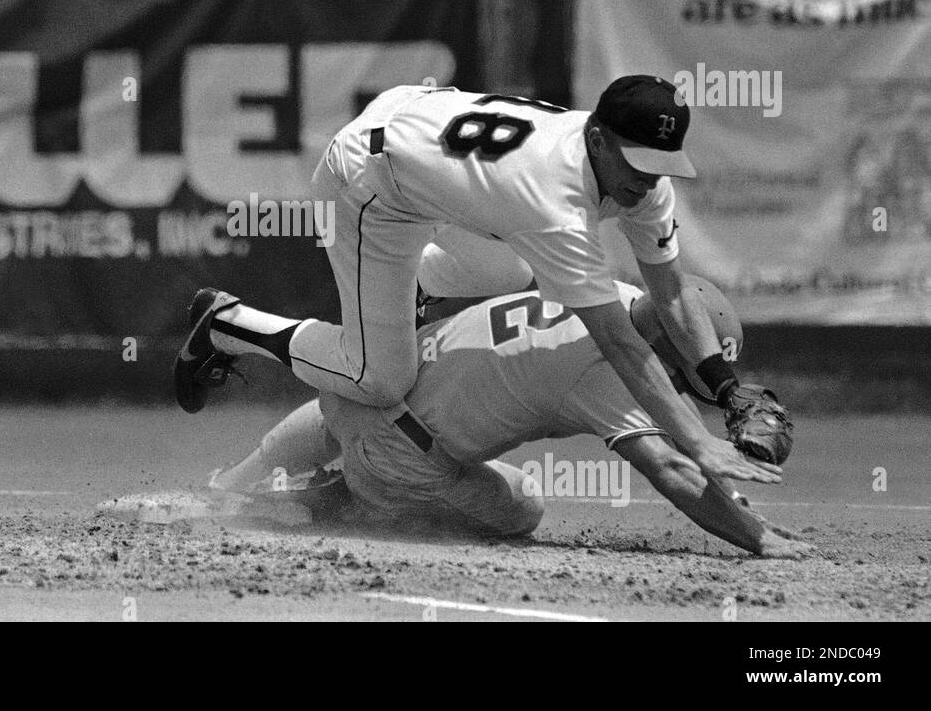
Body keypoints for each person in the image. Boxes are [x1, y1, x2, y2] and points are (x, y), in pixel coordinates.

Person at [177, 77, 776, 484]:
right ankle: (227, 323)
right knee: (381, 377)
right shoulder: (552, 202)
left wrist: (727, 389)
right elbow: (622, 342)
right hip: (370, 180)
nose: (650, 182)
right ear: (597, 139)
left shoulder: (636, 176)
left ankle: (400, 295)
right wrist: (695, 441)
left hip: (431, 149)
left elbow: (670, 292)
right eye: (640, 164)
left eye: (663, 165)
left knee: (514, 271)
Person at [210, 277, 810, 558]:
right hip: (395, 457)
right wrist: (754, 536)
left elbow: (679, 445)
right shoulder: (609, 367)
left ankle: (232, 484)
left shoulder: (609, 293)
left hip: (363, 390)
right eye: (690, 362)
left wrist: (728, 492)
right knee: (521, 505)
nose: (694, 377)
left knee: (370, 401)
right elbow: (674, 472)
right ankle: (328, 502)